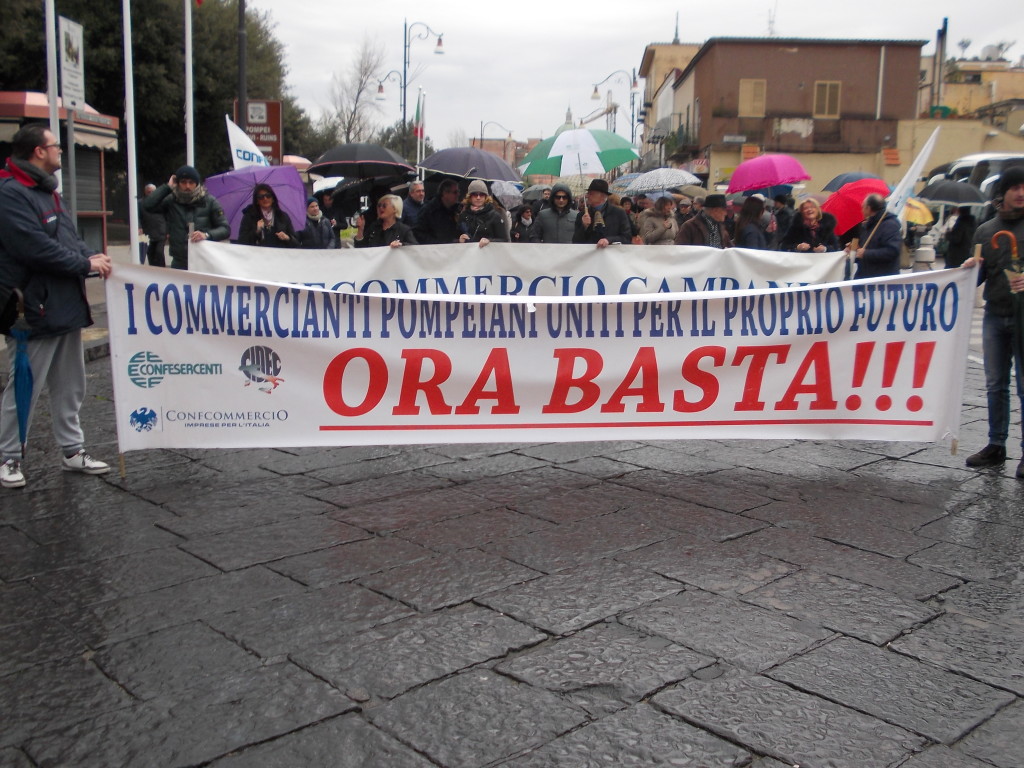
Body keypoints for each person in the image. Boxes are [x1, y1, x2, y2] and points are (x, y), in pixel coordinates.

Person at [0, 124, 113, 489]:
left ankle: (72, 449)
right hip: (32, 308)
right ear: (37, 152)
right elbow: (33, 247)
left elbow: (68, 237)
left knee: (70, 383)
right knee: (25, 385)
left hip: (63, 304)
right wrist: (84, 265)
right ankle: (8, 457)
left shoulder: (48, 192)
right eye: (56, 147)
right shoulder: (11, 194)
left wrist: (89, 256)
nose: (60, 152)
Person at [961, 167, 1024, 477]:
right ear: (1003, 192)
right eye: (1015, 187)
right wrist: (969, 269)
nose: (1021, 193)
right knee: (995, 384)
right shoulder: (986, 231)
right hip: (994, 315)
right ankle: (996, 445)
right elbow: (979, 277)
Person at [142, 164, 229, 269]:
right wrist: (167, 187)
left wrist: (206, 235)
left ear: (197, 183)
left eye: (191, 182)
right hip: (179, 261)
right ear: (177, 183)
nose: (187, 186)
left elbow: (225, 229)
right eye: (183, 182)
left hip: (203, 259)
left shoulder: (210, 201)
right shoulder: (171, 200)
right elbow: (148, 205)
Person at [850, 193, 902, 279]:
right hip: (866, 275)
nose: (861, 210)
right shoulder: (869, 225)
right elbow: (866, 247)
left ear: (868, 208)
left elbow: (892, 251)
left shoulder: (890, 225)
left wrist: (866, 253)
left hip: (882, 279)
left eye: (863, 207)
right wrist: (855, 251)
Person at [572, 179, 633, 247]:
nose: (587, 196)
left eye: (591, 193)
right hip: (590, 256)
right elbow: (575, 241)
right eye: (588, 193)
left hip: (611, 256)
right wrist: (583, 226)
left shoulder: (618, 213)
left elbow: (627, 238)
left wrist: (609, 240)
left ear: (603, 196)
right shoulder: (582, 215)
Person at [238, 183, 299, 248]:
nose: (265, 199)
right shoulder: (249, 217)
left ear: (273, 199)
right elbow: (242, 241)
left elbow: (296, 243)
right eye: (261, 197)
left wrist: (287, 238)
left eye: (268, 195)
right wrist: (256, 231)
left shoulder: (283, 216)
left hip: (279, 256)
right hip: (257, 256)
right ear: (257, 201)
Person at [458, 179, 508, 246]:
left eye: (481, 195)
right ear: (470, 197)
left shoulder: (495, 216)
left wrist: (490, 241)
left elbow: (504, 240)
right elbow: (453, 239)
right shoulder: (463, 216)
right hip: (468, 255)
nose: (478, 198)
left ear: (486, 197)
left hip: (489, 255)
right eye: (475, 194)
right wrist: (459, 240)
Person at [414, 179, 462, 244]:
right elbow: (418, 233)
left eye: (458, 191)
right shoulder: (429, 210)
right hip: (433, 250)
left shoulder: (457, 210)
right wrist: (437, 243)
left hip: (453, 250)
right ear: (445, 193)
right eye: (455, 192)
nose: (458, 194)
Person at [139, 183, 167, 267]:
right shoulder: (140, 203)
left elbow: (168, 216)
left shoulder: (162, 202)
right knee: (149, 253)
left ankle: (163, 271)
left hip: (160, 231)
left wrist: (168, 231)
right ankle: (153, 272)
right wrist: (139, 227)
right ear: (145, 192)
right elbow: (137, 216)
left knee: (159, 252)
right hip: (146, 232)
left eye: (153, 192)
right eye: (149, 192)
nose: (151, 194)